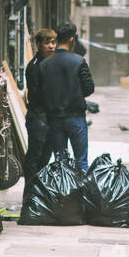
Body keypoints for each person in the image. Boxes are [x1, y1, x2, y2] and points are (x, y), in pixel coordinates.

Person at [33, 22, 95, 173]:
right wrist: (75, 94)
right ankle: (82, 195)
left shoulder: (44, 64)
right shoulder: (79, 61)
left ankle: (63, 194)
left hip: (54, 119)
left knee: (60, 161)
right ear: (72, 39)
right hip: (76, 117)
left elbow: (39, 92)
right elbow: (89, 88)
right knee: (81, 162)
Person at [23, 28, 56, 189]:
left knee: (45, 157)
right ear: (38, 44)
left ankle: (40, 193)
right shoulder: (34, 66)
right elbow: (36, 95)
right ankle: (30, 193)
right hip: (38, 117)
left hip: (50, 118)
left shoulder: (53, 64)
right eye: (47, 43)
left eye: (53, 42)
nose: (50, 46)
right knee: (34, 157)